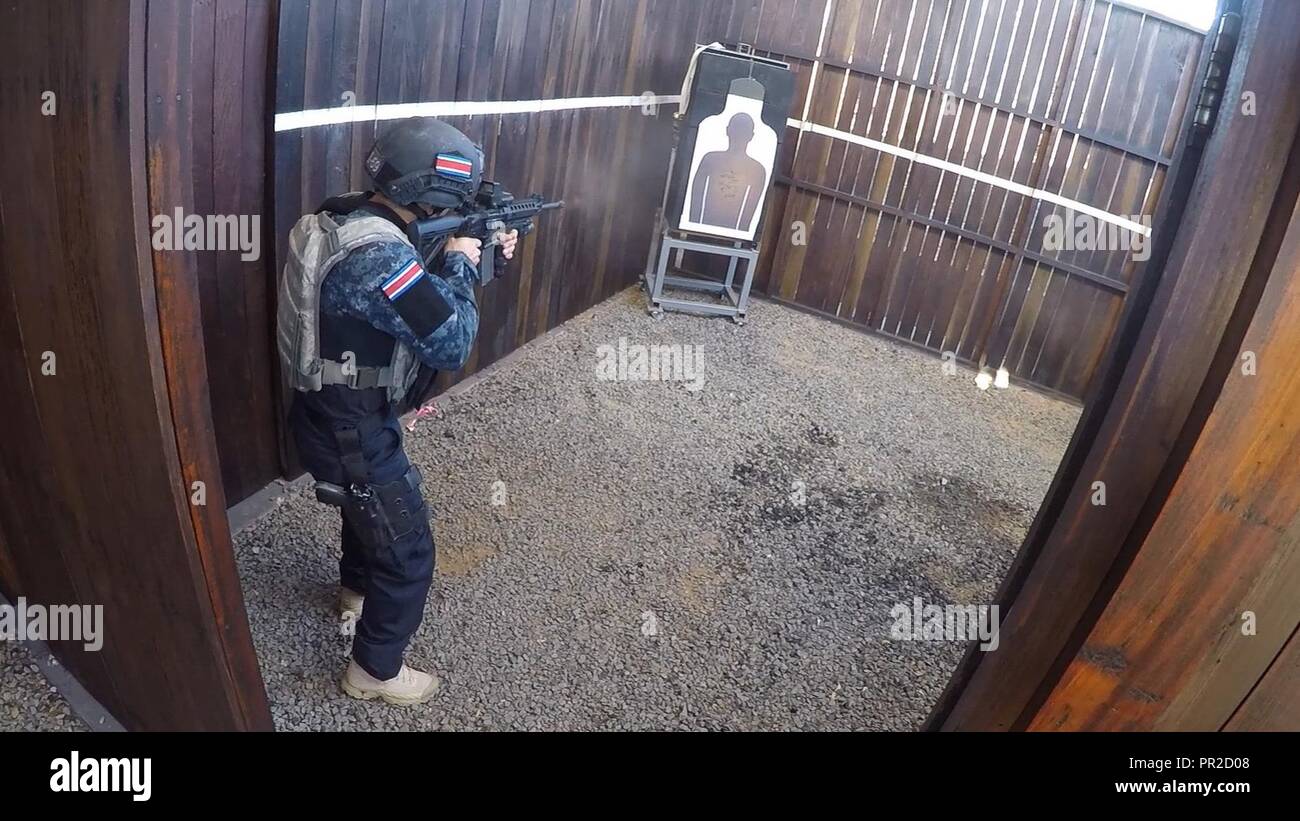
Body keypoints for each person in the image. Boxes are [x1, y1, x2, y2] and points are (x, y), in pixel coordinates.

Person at [278, 119, 518, 706]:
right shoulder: (382, 256)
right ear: (432, 191)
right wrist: (462, 262)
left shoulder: (346, 215)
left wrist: (483, 248)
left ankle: (356, 594)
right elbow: (450, 343)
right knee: (408, 548)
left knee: (366, 509)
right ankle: (374, 671)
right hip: (353, 429)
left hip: (326, 411)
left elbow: (401, 300)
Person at [688, 112, 769, 232]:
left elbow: (749, 213)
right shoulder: (710, 159)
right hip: (705, 231)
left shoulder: (757, 170)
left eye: (742, 131)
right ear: (728, 130)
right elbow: (696, 198)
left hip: (727, 235)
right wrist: (693, 228)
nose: (738, 135)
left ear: (750, 136)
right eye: (737, 130)